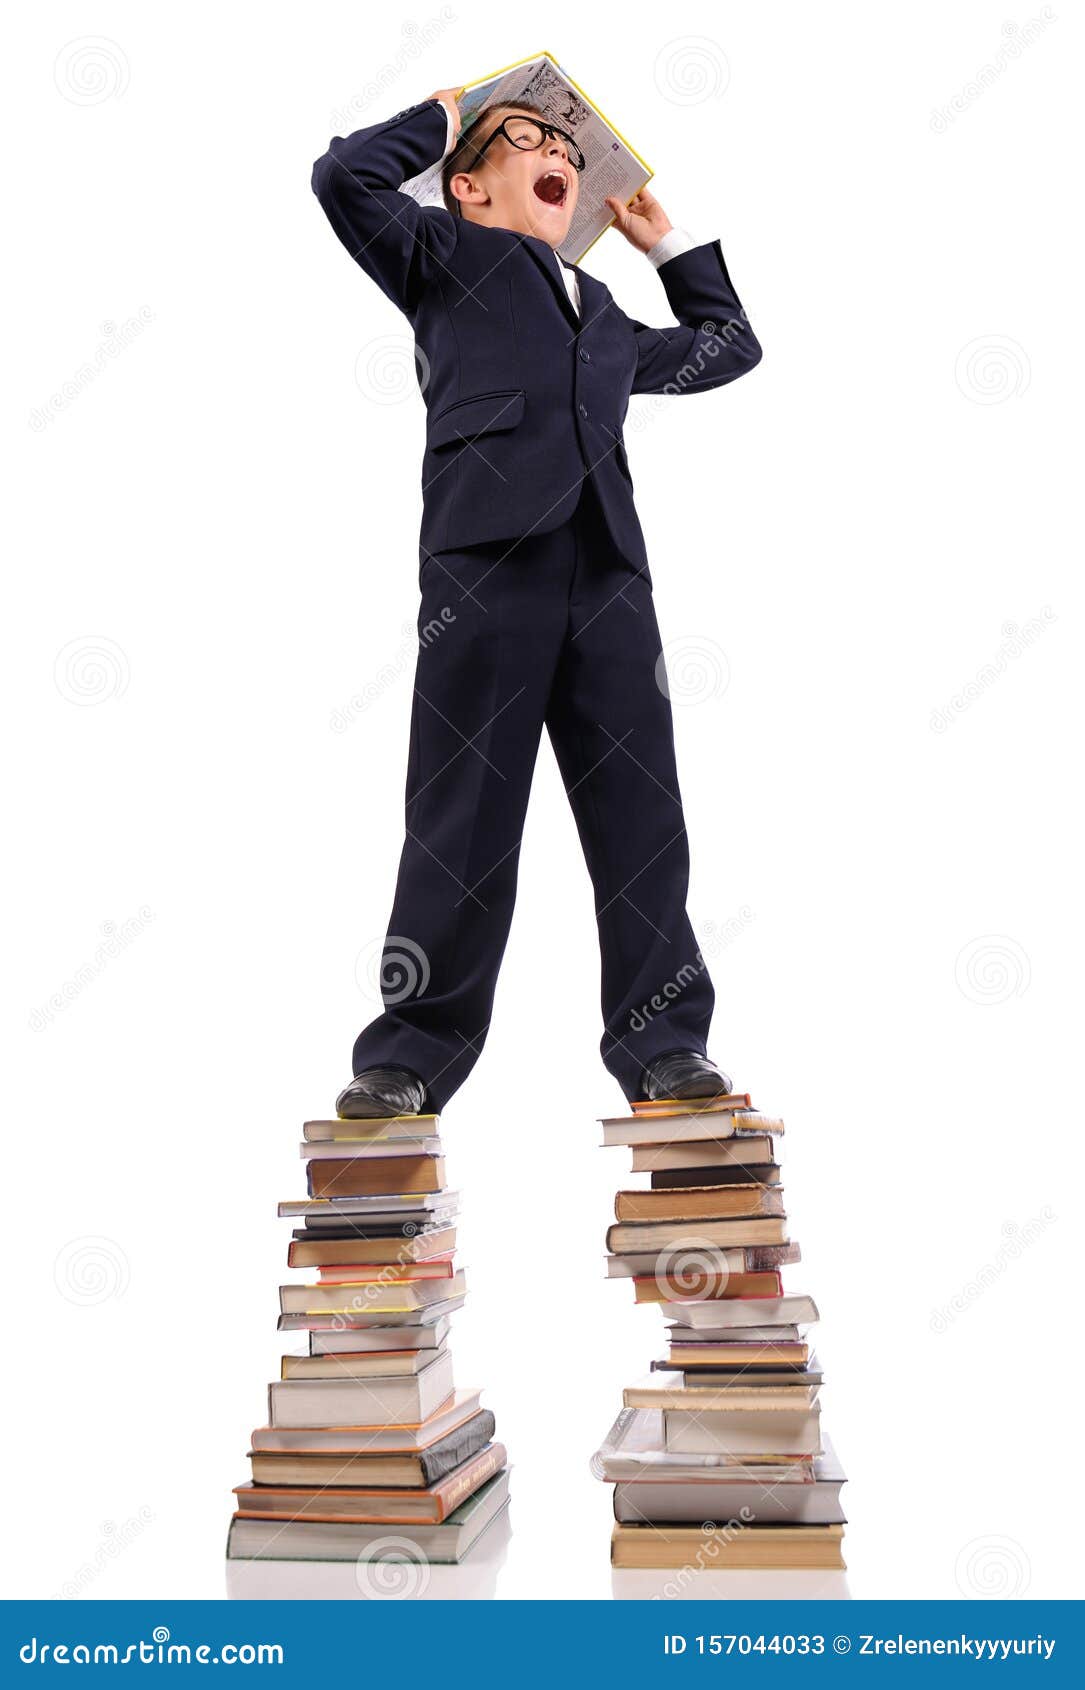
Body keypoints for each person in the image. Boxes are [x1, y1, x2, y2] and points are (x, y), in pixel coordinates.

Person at [310, 89, 762, 1120]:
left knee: (642, 819)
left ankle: (663, 1047)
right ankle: (410, 1053)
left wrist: (663, 241)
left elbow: (725, 345)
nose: (558, 151)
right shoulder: (436, 257)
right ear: (467, 187)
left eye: (566, 145)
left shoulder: (602, 316)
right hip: (486, 564)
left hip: (607, 574)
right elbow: (342, 178)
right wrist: (441, 112)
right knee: (459, 815)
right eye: (528, 141)